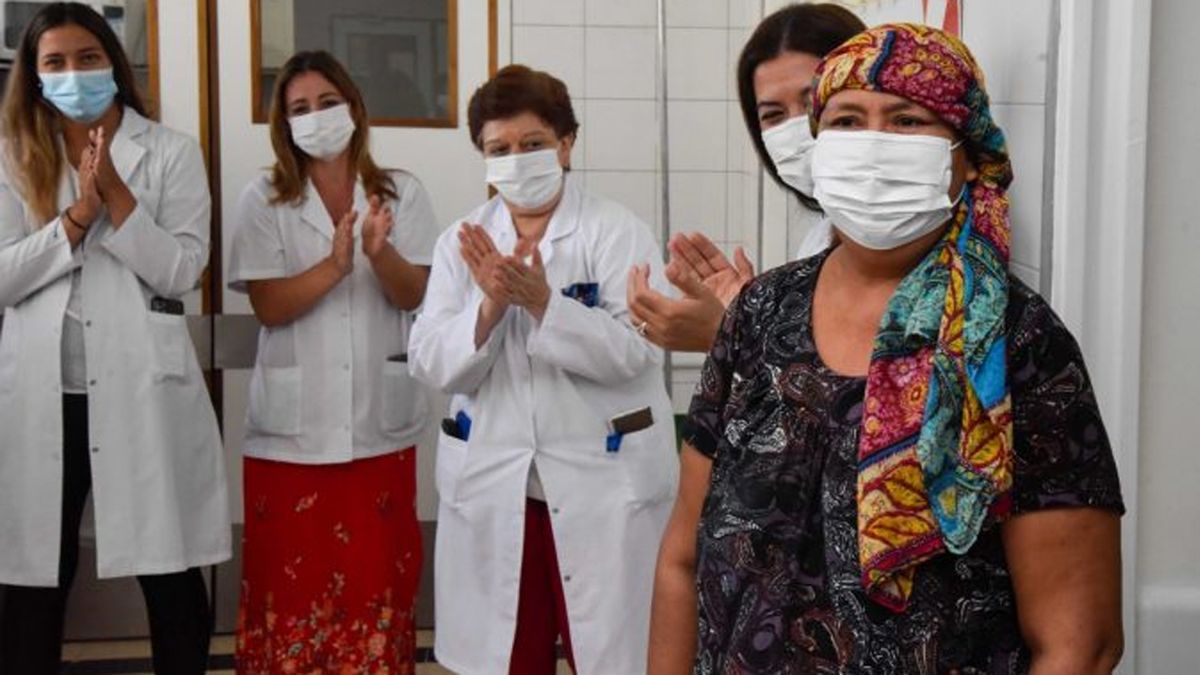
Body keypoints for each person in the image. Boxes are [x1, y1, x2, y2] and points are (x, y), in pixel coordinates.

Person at [649, 23, 1125, 674]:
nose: (873, 144)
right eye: (846, 120)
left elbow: (1079, 644)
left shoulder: (1018, 344)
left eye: (906, 119)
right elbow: (683, 557)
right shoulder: (759, 315)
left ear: (966, 153)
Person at [408, 64, 678, 675]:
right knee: (509, 655)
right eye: (498, 149)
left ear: (565, 143)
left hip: (601, 484)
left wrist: (542, 302)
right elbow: (430, 359)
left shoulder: (615, 232)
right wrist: (491, 305)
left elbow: (636, 350)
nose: (516, 160)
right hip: (499, 484)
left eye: (531, 145)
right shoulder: (463, 242)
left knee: (609, 652)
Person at [0, 3, 230, 673]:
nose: (74, 73)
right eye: (55, 62)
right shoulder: (14, 156)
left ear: (114, 63)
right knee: (35, 569)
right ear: (34, 75)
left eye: (88, 58)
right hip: (45, 394)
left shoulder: (170, 151)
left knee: (168, 562)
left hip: (139, 386)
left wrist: (118, 195)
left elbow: (184, 269)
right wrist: (76, 218)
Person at [227, 50, 437, 674]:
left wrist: (379, 254)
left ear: (353, 107)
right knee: (288, 592)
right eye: (299, 109)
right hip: (288, 447)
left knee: (378, 587)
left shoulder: (401, 192)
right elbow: (267, 303)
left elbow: (417, 294)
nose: (315, 117)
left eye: (326, 103)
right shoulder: (264, 197)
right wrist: (334, 268)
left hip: (378, 432)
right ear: (282, 123)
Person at [628, 3, 865, 352]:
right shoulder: (820, 237)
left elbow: (871, 389)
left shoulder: (914, 239)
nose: (799, 127)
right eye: (774, 115)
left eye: (813, 102)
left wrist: (731, 339)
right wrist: (753, 315)